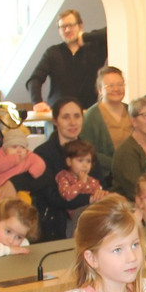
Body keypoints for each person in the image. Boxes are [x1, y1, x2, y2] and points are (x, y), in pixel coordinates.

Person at [26, 9, 109, 110]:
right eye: (63, 27)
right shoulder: (52, 52)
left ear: (80, 26)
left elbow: (112, 30)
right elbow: (34, 79)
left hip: (87, 114)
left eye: (71, 25)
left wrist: (86, 37)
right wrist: (37, 102)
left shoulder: (95, 49)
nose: (67, 30)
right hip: (57, 115)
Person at [32, 97, 88, 240]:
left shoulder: (88, 148)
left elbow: (99, 184)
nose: (72, 122)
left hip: (87, 216)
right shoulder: (43, 153)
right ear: (55, 121)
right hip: (55, 221)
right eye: (65, 117)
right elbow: (53, 197)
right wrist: (90, 198)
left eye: (77, 116)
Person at [80, 66, 132, 182]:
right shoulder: (91, 116)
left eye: (120, 84)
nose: (116, 89)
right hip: (106, 176)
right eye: (110, 86)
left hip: (133, 171)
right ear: (100, 90)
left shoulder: (132, 110)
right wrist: (116, 164)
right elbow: (88, 151)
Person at [54, 139, 106, 234]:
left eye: (88, 161)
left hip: (92, 217)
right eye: (80, 160)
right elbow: (67, 195)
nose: (85, 165)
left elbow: (99, 193)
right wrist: (81, 182)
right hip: (74, 220)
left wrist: (101, 194)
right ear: (69, 161)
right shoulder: (64, 176)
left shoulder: (91, 180)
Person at [0, 127, 46, 203]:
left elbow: (40, 163)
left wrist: (33, 172)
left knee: (25, 201)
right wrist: (14, 159)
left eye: (22, 147)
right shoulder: (0, 154)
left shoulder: (28, 155)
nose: (19, 150)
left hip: (20, 190)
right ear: (5, 148)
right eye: (14, 147)